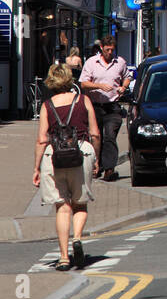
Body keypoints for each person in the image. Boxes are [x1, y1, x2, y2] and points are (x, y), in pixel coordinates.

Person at [33, 63, 99, 271]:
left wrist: (36, 168)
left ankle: (63, 258)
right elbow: (95, 133)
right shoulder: (83, 100)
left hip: (54, 156)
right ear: (70, 80)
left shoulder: (46, 106)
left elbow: (42, 140)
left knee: (62, 206)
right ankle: (77, 238)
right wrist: (95, 158)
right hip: (81, 152)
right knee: (80, 204)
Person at [79, 36, 129, 182]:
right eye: (107, 50)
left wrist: (123, 87)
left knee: (109, 136)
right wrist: (99, 86)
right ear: (101, 48)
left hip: (112, 107)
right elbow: (83, 83)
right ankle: (96, 166)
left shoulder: (120, 62)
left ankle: (109, 169)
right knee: (96, 137)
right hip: (95, 106)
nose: (110, 53)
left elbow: (127, 77)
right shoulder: (91, 63)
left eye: (112, 50)